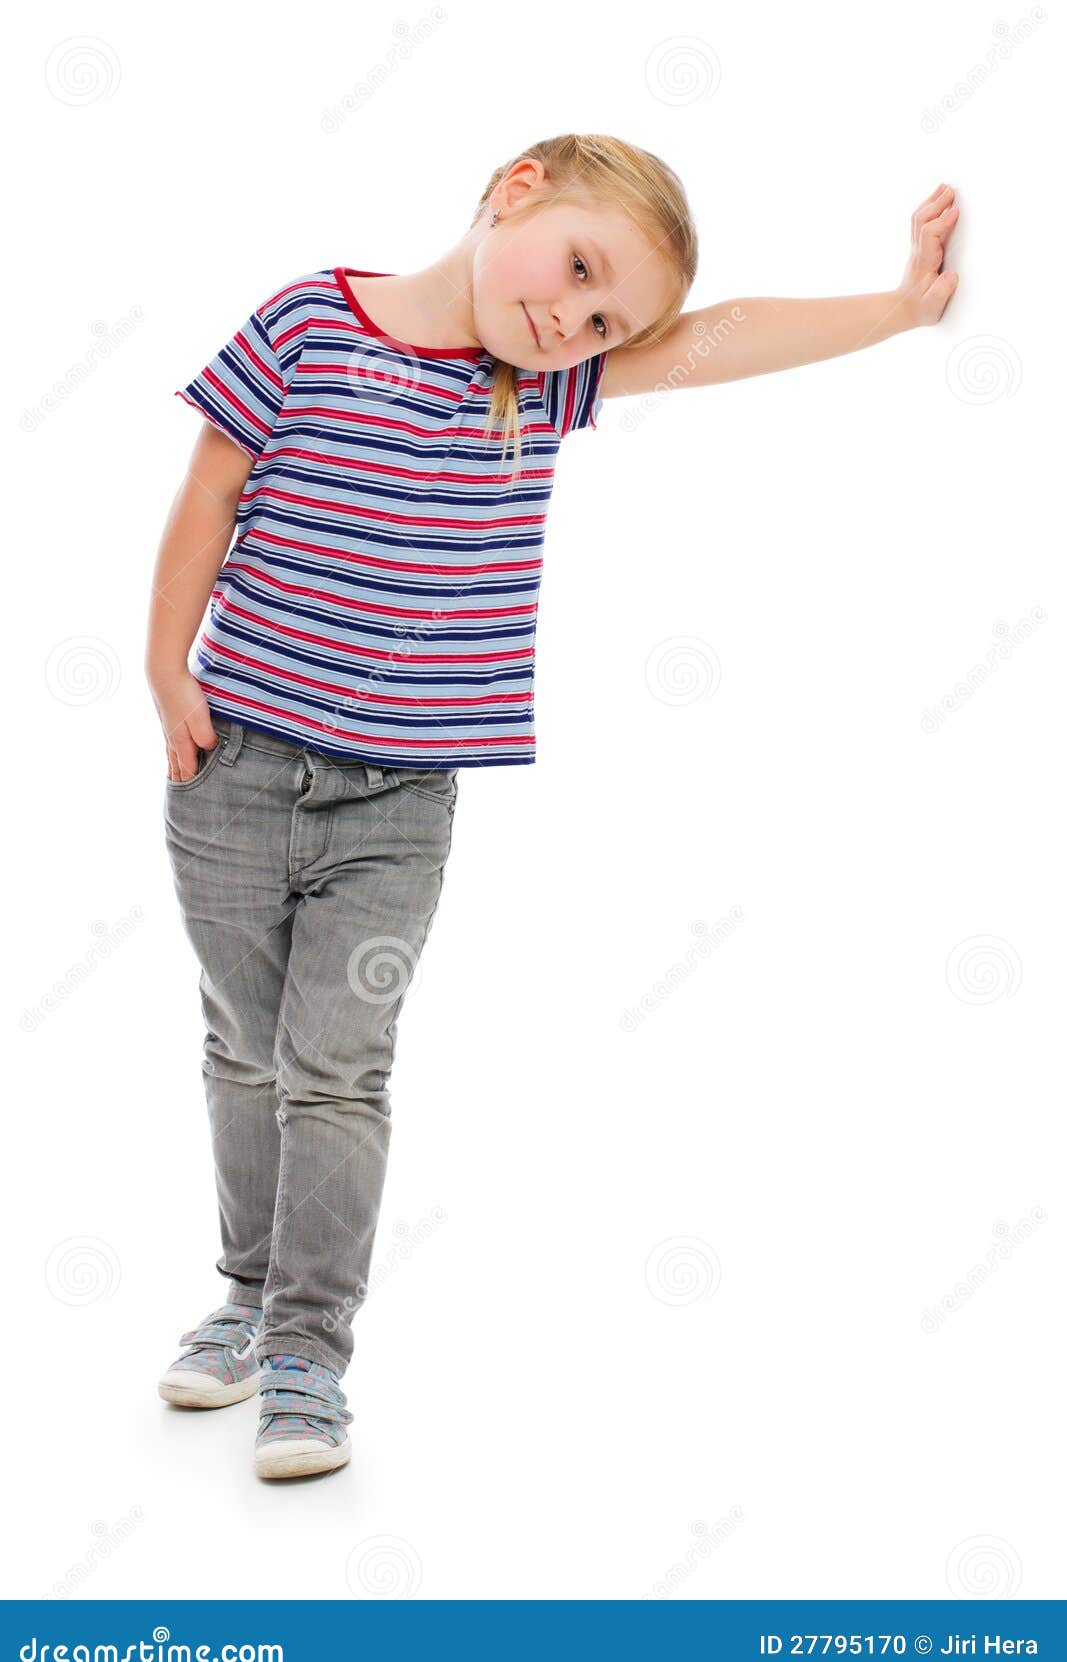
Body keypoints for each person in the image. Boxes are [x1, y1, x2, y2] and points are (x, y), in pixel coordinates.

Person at [145, 132, 959, 1481]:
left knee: (338, 1069)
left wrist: (896, 305)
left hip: (400, 803)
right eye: (580, 272)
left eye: (602, 319)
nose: (569, 321)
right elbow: (208, 496)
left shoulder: (543, 387)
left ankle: (307, 1351)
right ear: (518, 184)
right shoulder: (304, 322)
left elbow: (723, 340)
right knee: (244, 1049)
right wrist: (165, 669)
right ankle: (240, 1295)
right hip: (227, 768)